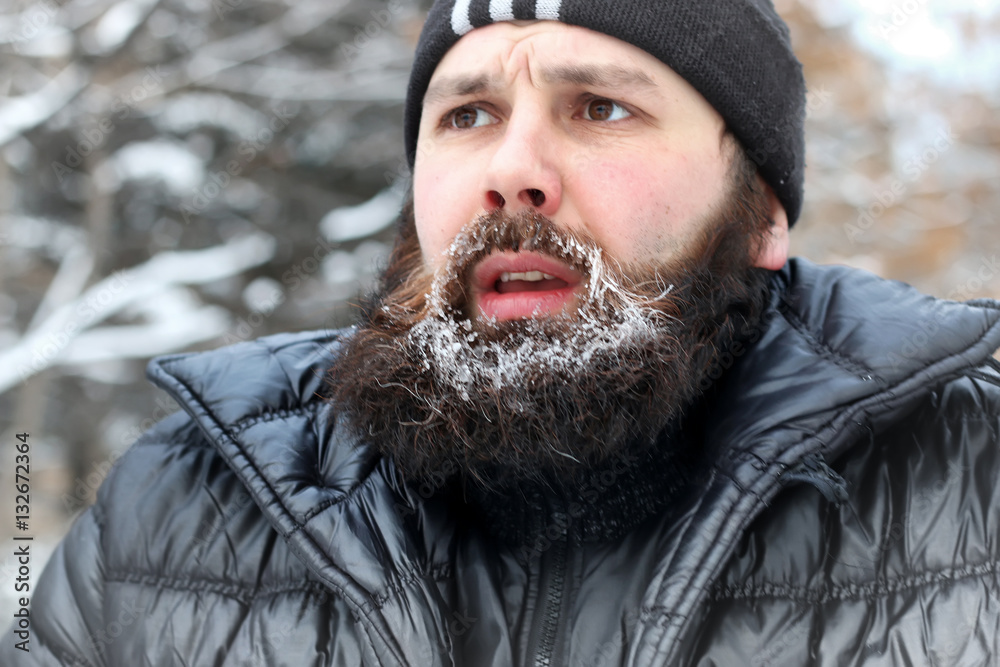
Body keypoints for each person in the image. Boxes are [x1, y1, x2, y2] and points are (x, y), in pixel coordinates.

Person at [7, 1, 1000, 665]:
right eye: (468, 113)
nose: (511, 169)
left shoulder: (974, 477)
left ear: (764, 214)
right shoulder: (184, 492)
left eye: (601, 107)